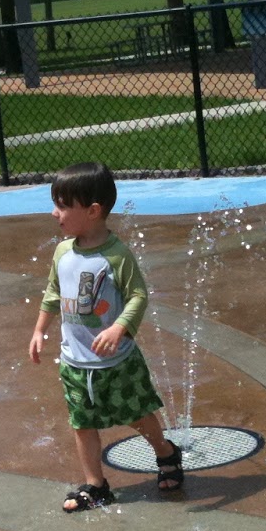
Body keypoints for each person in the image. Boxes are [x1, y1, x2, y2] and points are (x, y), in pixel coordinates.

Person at [28, 162, 184, 512]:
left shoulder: (116, 255)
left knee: (136, 414)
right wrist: (39, 330)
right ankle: (96, 485)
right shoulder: (62, 252)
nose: (54, 213)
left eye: (62, 205)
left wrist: (119, 327)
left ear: (93, 211)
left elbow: (138, 295)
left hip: (116, 361)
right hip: (74, 361)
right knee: (82, 423)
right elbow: (53, 292)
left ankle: (165, 452)